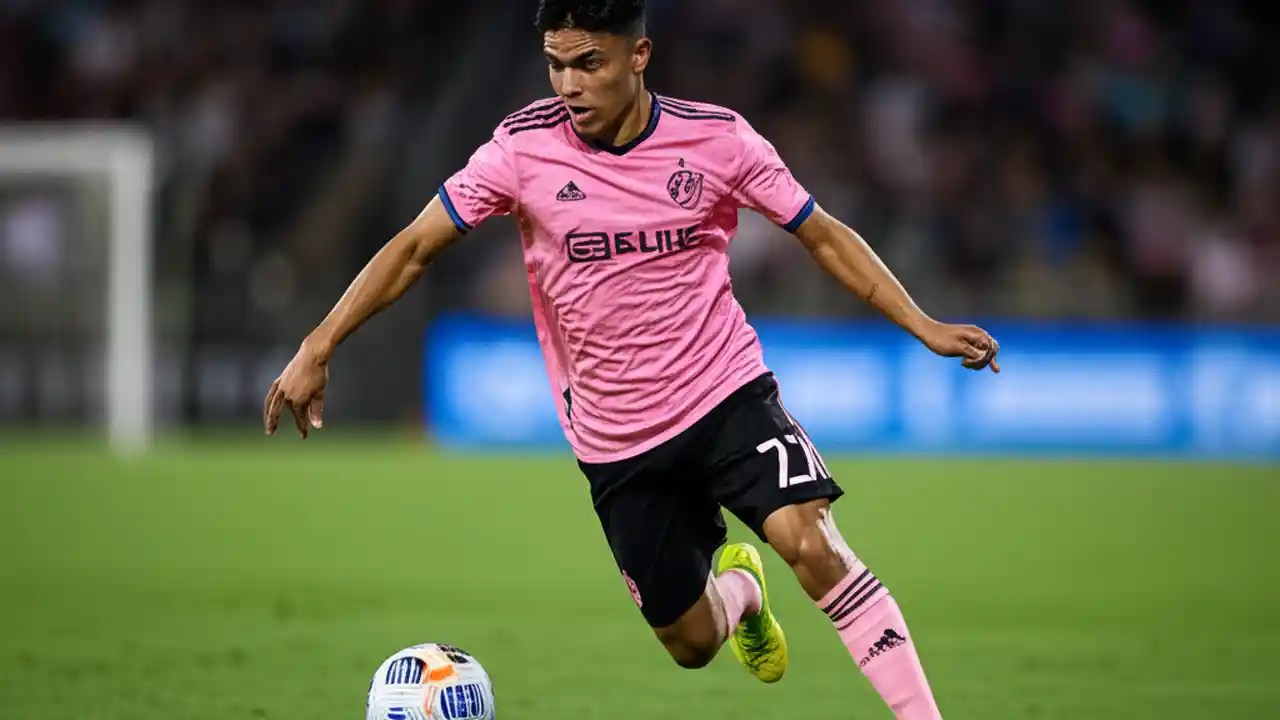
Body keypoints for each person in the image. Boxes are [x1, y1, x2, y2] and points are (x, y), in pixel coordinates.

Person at [263, 2, 1000, 717]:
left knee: (811, 543)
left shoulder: (719, 141)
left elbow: (822, 233)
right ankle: (739, 592)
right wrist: (318, 343)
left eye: (589, 63)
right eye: (555, 65)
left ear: (637, 56)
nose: (569, 85)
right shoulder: (521, 151)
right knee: (692, 643)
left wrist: (921, 323)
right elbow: (416, 246)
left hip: (725, 395)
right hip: (618, 440)